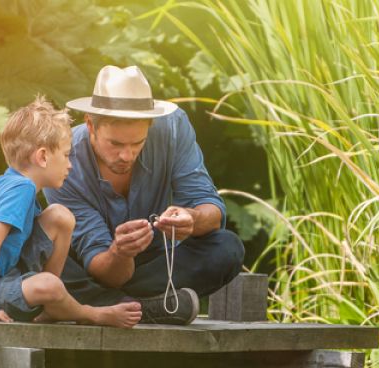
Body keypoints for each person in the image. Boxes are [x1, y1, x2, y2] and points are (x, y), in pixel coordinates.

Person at [45, 65, 244, 325]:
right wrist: (119, 252)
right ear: (91, 125)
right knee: (43, 264)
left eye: (138, 143)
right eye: (115, 144)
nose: (126, 155)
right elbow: (100, 264)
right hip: (95, 265)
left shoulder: (172, 127)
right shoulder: (63, 161)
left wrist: (191, 219)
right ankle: (144, 307)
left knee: (227, 249)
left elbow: (210, 209)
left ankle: (104, 305)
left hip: (157, 263)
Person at [0, 97, 142, 328]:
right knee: (49, 285)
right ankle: (91, 314)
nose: (70, 165)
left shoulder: (15, 183)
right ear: (42, 157)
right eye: (66, 155)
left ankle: (52, 307)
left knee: (60, 216)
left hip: (4, 276)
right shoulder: (20, 189)